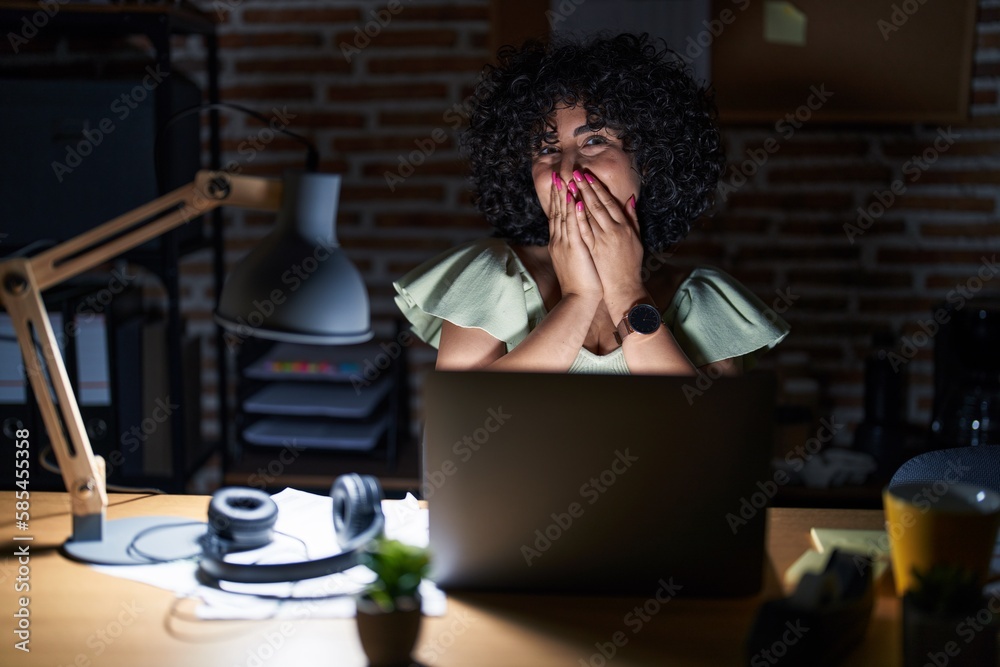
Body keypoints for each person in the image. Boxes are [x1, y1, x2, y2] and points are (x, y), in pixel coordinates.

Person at [393, 33, 789, 375]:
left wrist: (625, 290)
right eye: (547, 149)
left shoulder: (702, 302)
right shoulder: (493, 278)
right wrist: (577, 300)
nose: (567, 169)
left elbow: (712, 440)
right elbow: (459, 429)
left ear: (649, 162)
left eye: (594, 141)